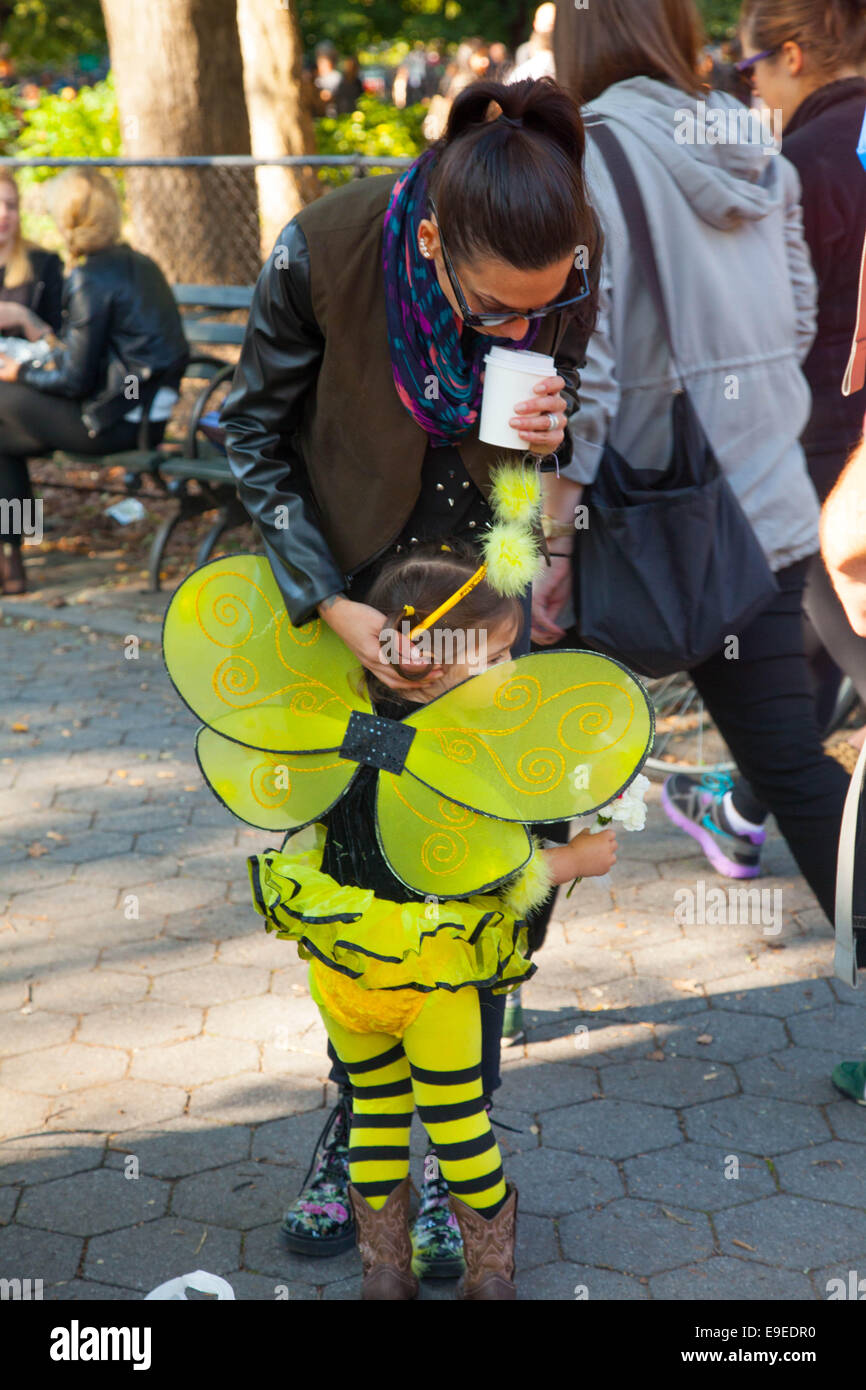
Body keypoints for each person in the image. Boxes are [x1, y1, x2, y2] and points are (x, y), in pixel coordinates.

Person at [220, 75, 600, 1272]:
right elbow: (244, 432)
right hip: (346, 619)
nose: (512, 330)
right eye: (489, 309)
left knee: (475, 892)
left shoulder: (556, 259)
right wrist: (327, 604)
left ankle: (458, 1158)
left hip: (477, 623)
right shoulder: (322, 250)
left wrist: (551, 441)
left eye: (533, 314)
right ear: (431, 240)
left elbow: (543, 452)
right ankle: (356, 1134)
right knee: (358, 893)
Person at [161, 535, 641, 1297]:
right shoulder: (457, 753)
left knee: (374, 1112)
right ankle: (489, 1264)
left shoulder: (343, 729)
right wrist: (571, 862)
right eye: (498, 654)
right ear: (434, 656)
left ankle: (385, 1267)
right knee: (458, 1124)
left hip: (345, 968)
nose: (509, 672)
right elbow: (475, 874)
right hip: (432, 977)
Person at [542, 0, 849, 923]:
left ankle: (474, 1009)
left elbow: (587, 380)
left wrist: (551, 547)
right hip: (762, 510)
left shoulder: (585, 155)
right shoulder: (754, 144)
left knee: (547, 765)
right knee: (792, 769)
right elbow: (800, 323)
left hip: (633, 523)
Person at [735, 0, 866, 753]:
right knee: (815, 637)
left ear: (790, 55)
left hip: (820, 444)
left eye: (750, 70)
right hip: (846, 442)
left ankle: (769, 809)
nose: (751, 91)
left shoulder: (800, 164)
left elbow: (767, 326)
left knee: (837, 622)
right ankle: (753, 812)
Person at [0, 168, 188, 595]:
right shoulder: (136, 262)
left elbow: (74, 378)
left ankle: (14, 552)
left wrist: (20, 371)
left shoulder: (90, 274)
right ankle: (12, 556)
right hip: (140, 414)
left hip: (115, 420)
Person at [0, 170, 63, 593]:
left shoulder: (43, 265)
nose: (5, 214)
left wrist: (24, 319)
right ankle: (13, 554)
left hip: (33, 392)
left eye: (12, 205)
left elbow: (64, 347)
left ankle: (12, 552)